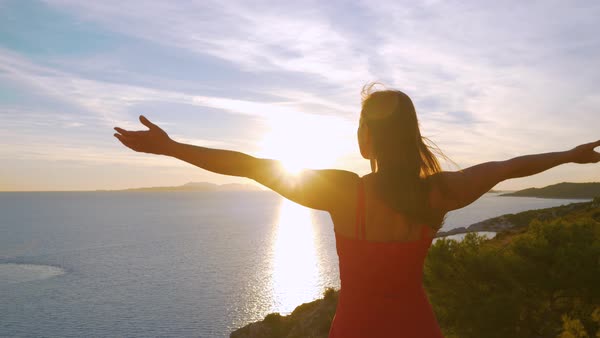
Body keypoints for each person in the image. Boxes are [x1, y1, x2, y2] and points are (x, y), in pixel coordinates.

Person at [114, 85, 600, 338]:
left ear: (366, 138)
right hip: (418, 331)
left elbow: (250, 166)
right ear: (412, 134)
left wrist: (172, 148)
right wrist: (568, 155)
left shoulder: (346, 193)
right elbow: (509, 167)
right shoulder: (442, 193)